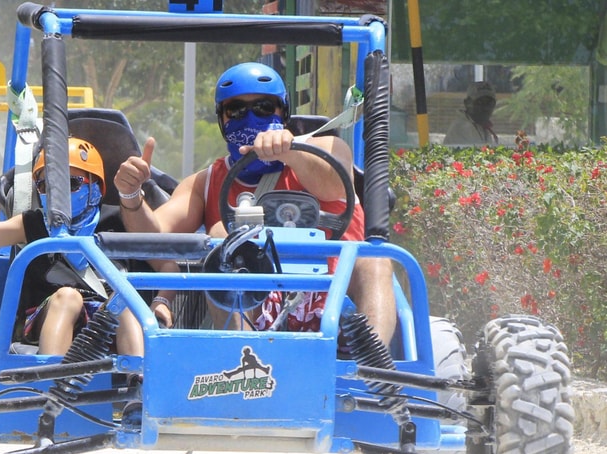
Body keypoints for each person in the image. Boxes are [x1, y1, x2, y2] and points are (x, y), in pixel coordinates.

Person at [114, 61, 396, 342]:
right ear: (222, 120)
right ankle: (245, 367)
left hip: (337, 298)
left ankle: (374, 368)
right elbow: (155, 236)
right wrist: (130, 193)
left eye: (263, 108)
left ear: (283, 113)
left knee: (375, 260)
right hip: (256, 307)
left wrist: (289, 151)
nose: (249, 118)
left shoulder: (326, 149)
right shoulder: (206, 182)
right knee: (221, 237)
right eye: (235, 110)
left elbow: (334, 183)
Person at [0, 137, 173, 356]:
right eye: (44, 186)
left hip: (108, 321)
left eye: (71, 183)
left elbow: (168, 266)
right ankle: (51, 386)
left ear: (95, 187)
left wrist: (162, 302)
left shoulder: (118, 221)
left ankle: (138, 385)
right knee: (68, 298)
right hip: (46, 316)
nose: (55, 195)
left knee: (124, 301)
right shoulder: (33, 223)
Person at [443, 80, 500, 146]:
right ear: (467, 103)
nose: (485, 107)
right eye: (480, 102)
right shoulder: (462, 127)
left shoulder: (482, 127)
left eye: (490, 103)